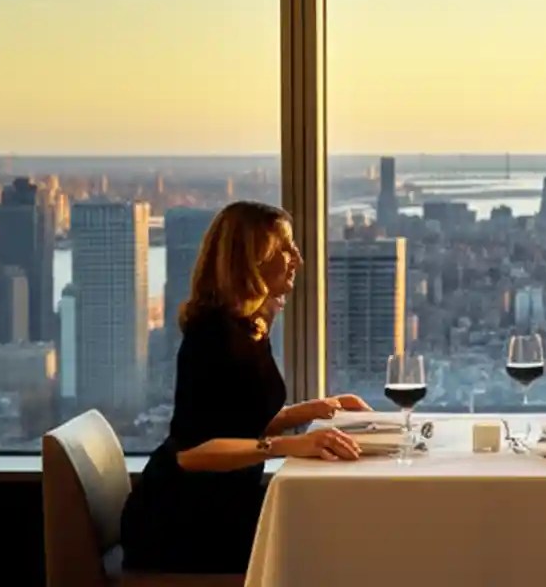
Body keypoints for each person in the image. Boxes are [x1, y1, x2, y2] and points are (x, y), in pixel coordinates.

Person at [121, 201, 371, 574]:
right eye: (284, 248)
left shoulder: (250, 327)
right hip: (183, 523)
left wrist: (311, 410)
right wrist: (291, 444)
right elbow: (192, 453)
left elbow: (235, 422)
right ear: (250, 259)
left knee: (331, 531)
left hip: (223, 505)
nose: (296, 259)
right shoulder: (211, 336)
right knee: (327, 541)